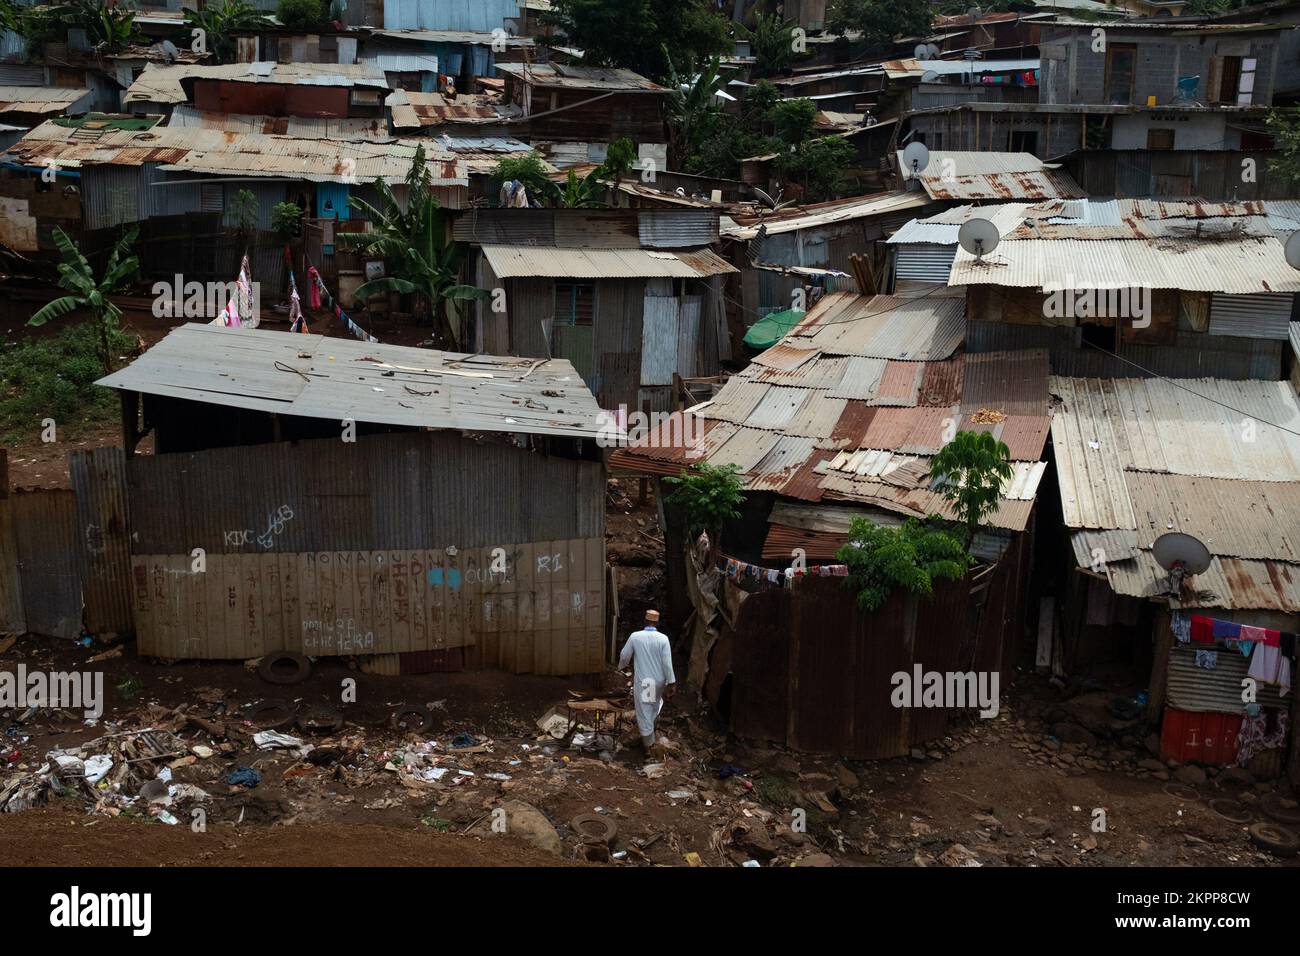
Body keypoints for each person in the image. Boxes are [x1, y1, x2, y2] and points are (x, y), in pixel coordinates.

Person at [618, 610, 676, 751]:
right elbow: (667, 664)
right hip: (659, 682)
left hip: (645, 683)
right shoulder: (663, 639)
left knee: (644, 713)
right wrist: (672, 682)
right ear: (657, 623)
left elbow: (625, 656)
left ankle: (649, 748)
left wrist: (622, 667)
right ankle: (650, 736)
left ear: (644, 621)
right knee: (654, 706)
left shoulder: (635, 637)